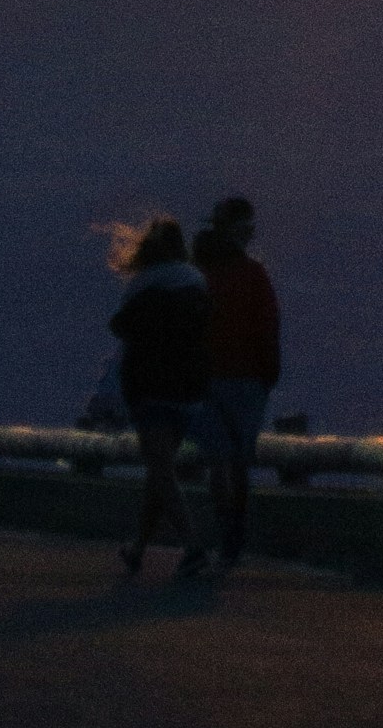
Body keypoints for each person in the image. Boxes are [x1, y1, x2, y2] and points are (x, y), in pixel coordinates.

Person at [103, 216, 213, 579]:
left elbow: (121, 327)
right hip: (189, 390)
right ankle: (137, 548)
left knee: (161, 469)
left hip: (150, 389)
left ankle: (193, 545)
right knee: (160, 470)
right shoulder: (197, 285)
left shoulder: (143, 286)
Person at [194, 193, 283, 570]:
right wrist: (268, 376)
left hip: (206, 379)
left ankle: (222, 529)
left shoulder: (197, 273)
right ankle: (235, 535)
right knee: (240, 463)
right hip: (247, 380)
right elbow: (268, 328)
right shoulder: (253, 275)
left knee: (218, 460)